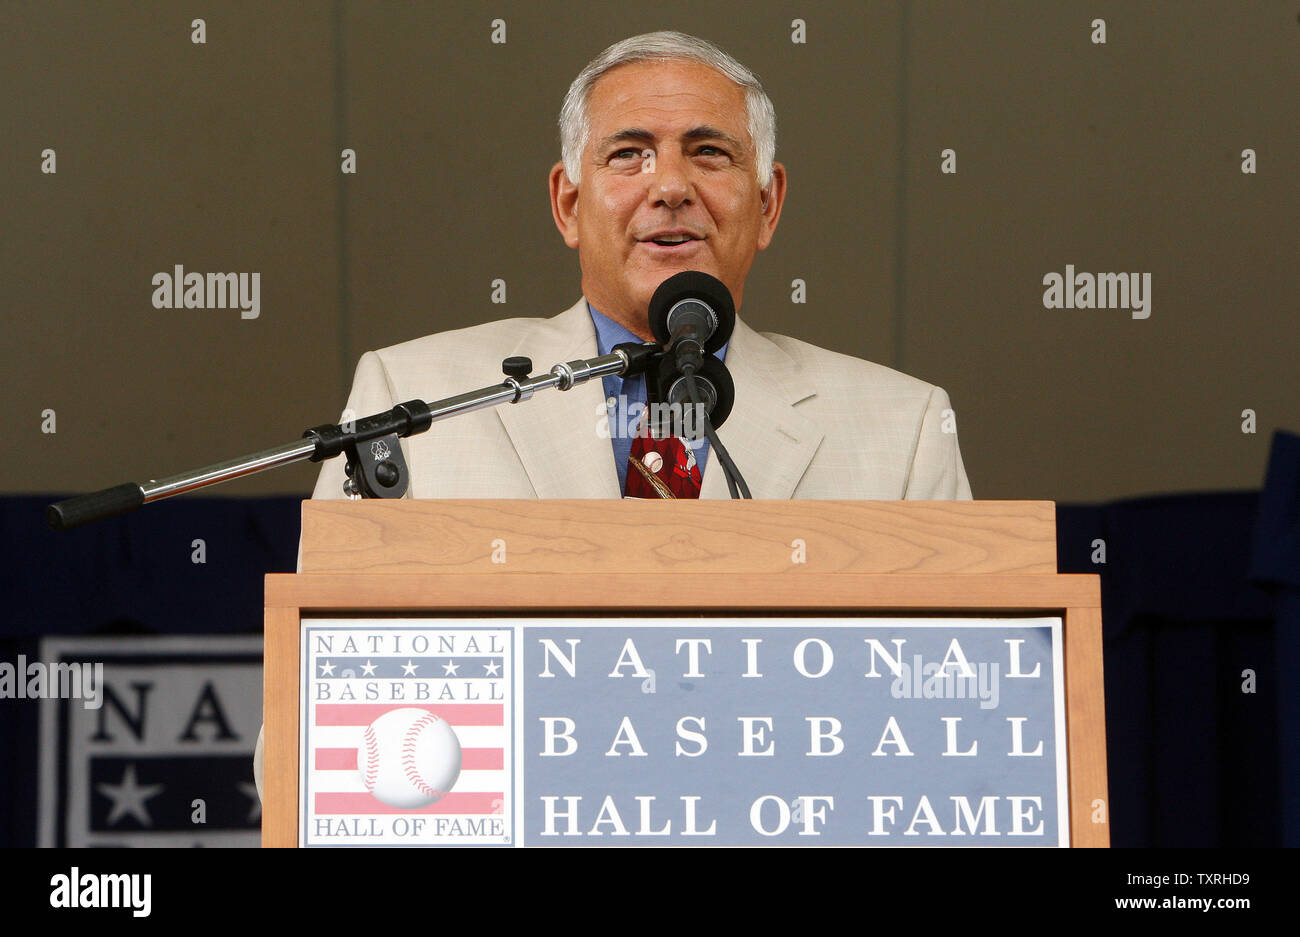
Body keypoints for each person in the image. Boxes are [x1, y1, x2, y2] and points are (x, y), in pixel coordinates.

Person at [255, 31, 971, 802]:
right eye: (628, 153)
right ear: (568, 203)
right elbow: (308, 745)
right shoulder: (414, 396)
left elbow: (959, 733)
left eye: (709, 153)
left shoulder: (900, 426)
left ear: (768, 204)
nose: (669, 185)